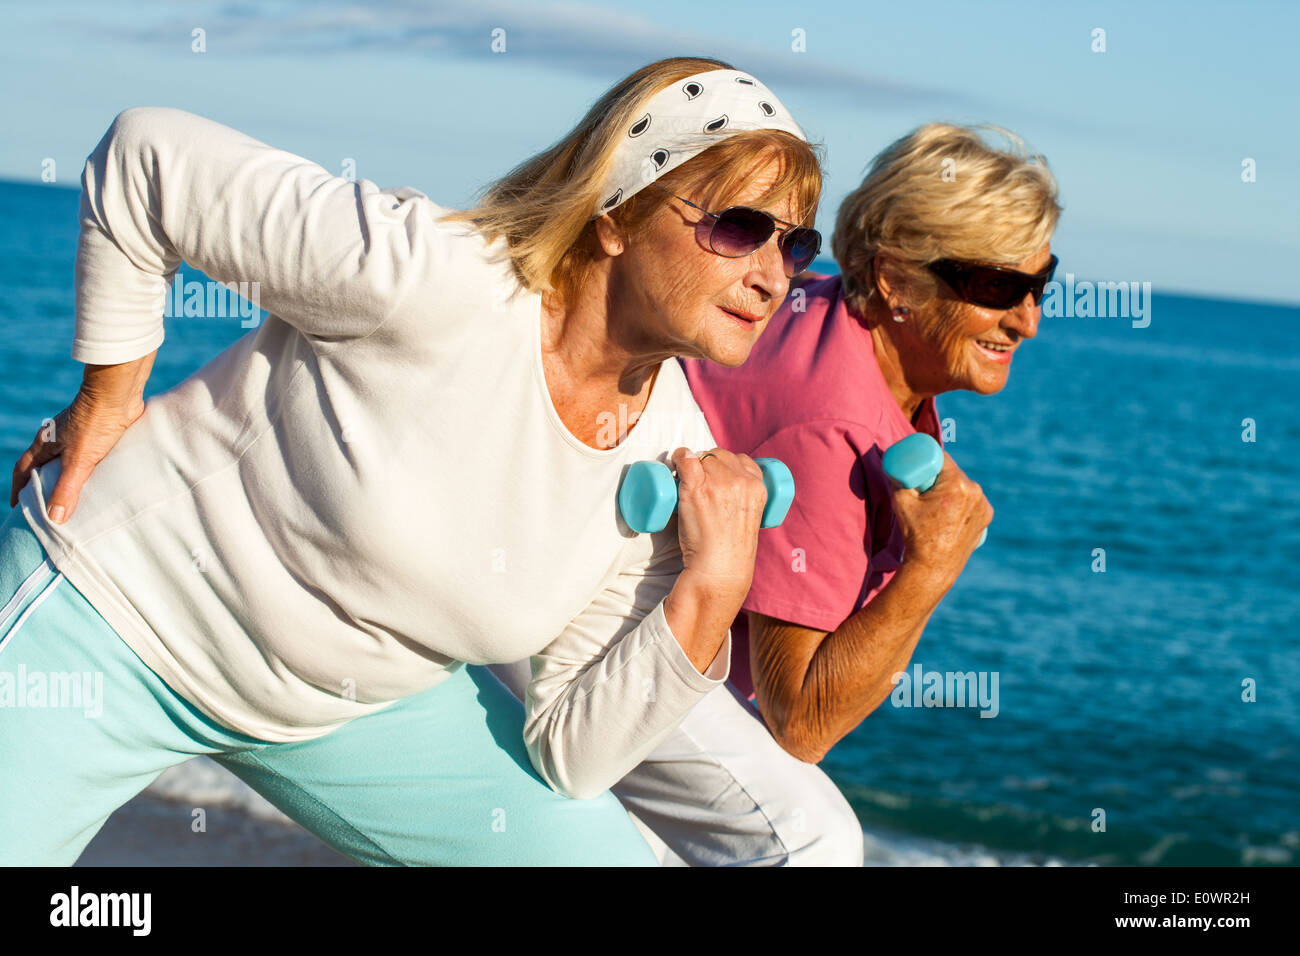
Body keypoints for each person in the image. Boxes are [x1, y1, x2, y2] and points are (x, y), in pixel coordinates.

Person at [0, 56, 824, 865]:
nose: (770, 277)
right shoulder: (434, 275)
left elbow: (572, 752)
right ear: (613, 213)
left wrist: (711, 589)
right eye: (740, 227)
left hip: (347, 712)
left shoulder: (668, 453)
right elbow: (147, 157)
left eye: (795, 246)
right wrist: (107, 398)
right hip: (121, 619)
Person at [497, 122, 1060, 866]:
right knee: (807, 842)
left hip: (556, 531)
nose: (1029, 318)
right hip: (595, 601)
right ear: (893, 280)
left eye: (1040, 282)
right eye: (996, 288)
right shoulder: (835, 430)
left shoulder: (821, 312)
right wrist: (932, 567)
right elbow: (801, 717)